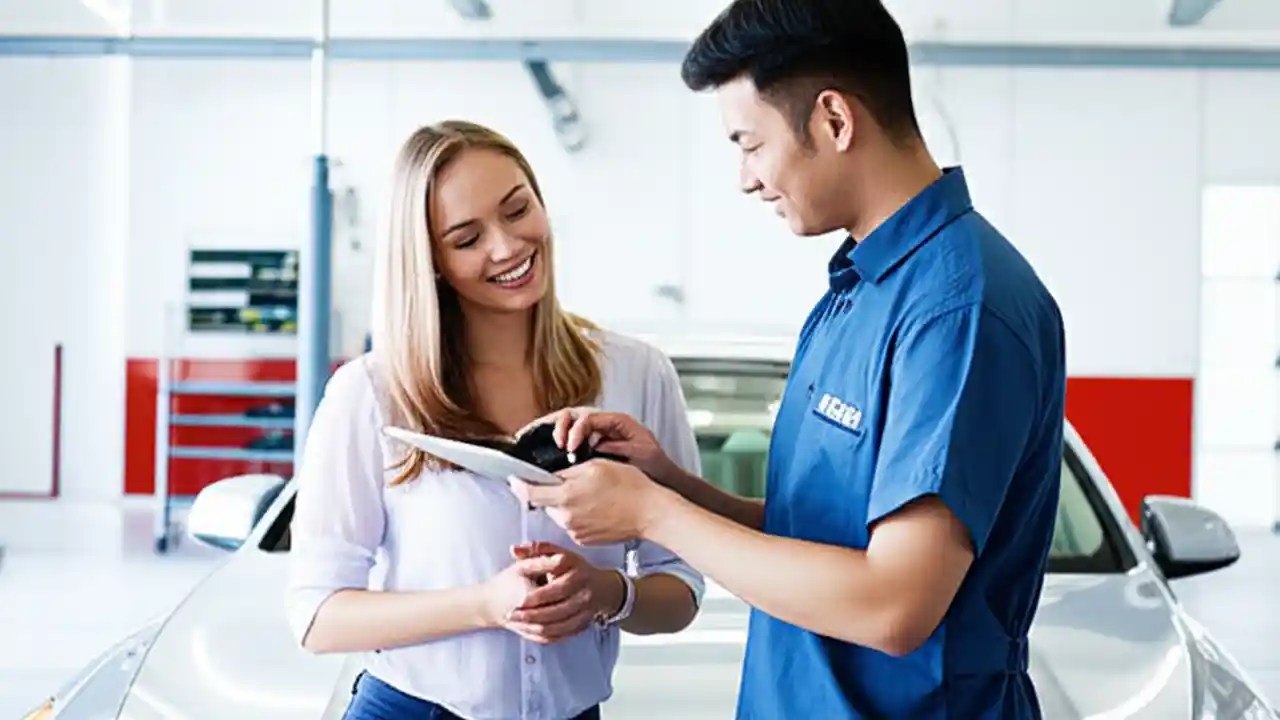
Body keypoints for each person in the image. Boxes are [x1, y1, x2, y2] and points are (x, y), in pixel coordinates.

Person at [509, 1, 1067, 719]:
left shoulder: (958, 309)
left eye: (750, 142)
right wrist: (670, 484)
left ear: (834, 120)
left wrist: (652, 516)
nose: (745, 176)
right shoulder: (857, 290)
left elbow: (895, 604)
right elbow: (823, 536)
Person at [286, 120, 704, 720]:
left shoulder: (637, 374)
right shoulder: (371, 393)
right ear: (429, 261)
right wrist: (485, 604)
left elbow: (680, 589)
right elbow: (318, 617)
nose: (507, 247)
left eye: (517, 209)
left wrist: (606, 593)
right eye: (466, 239)